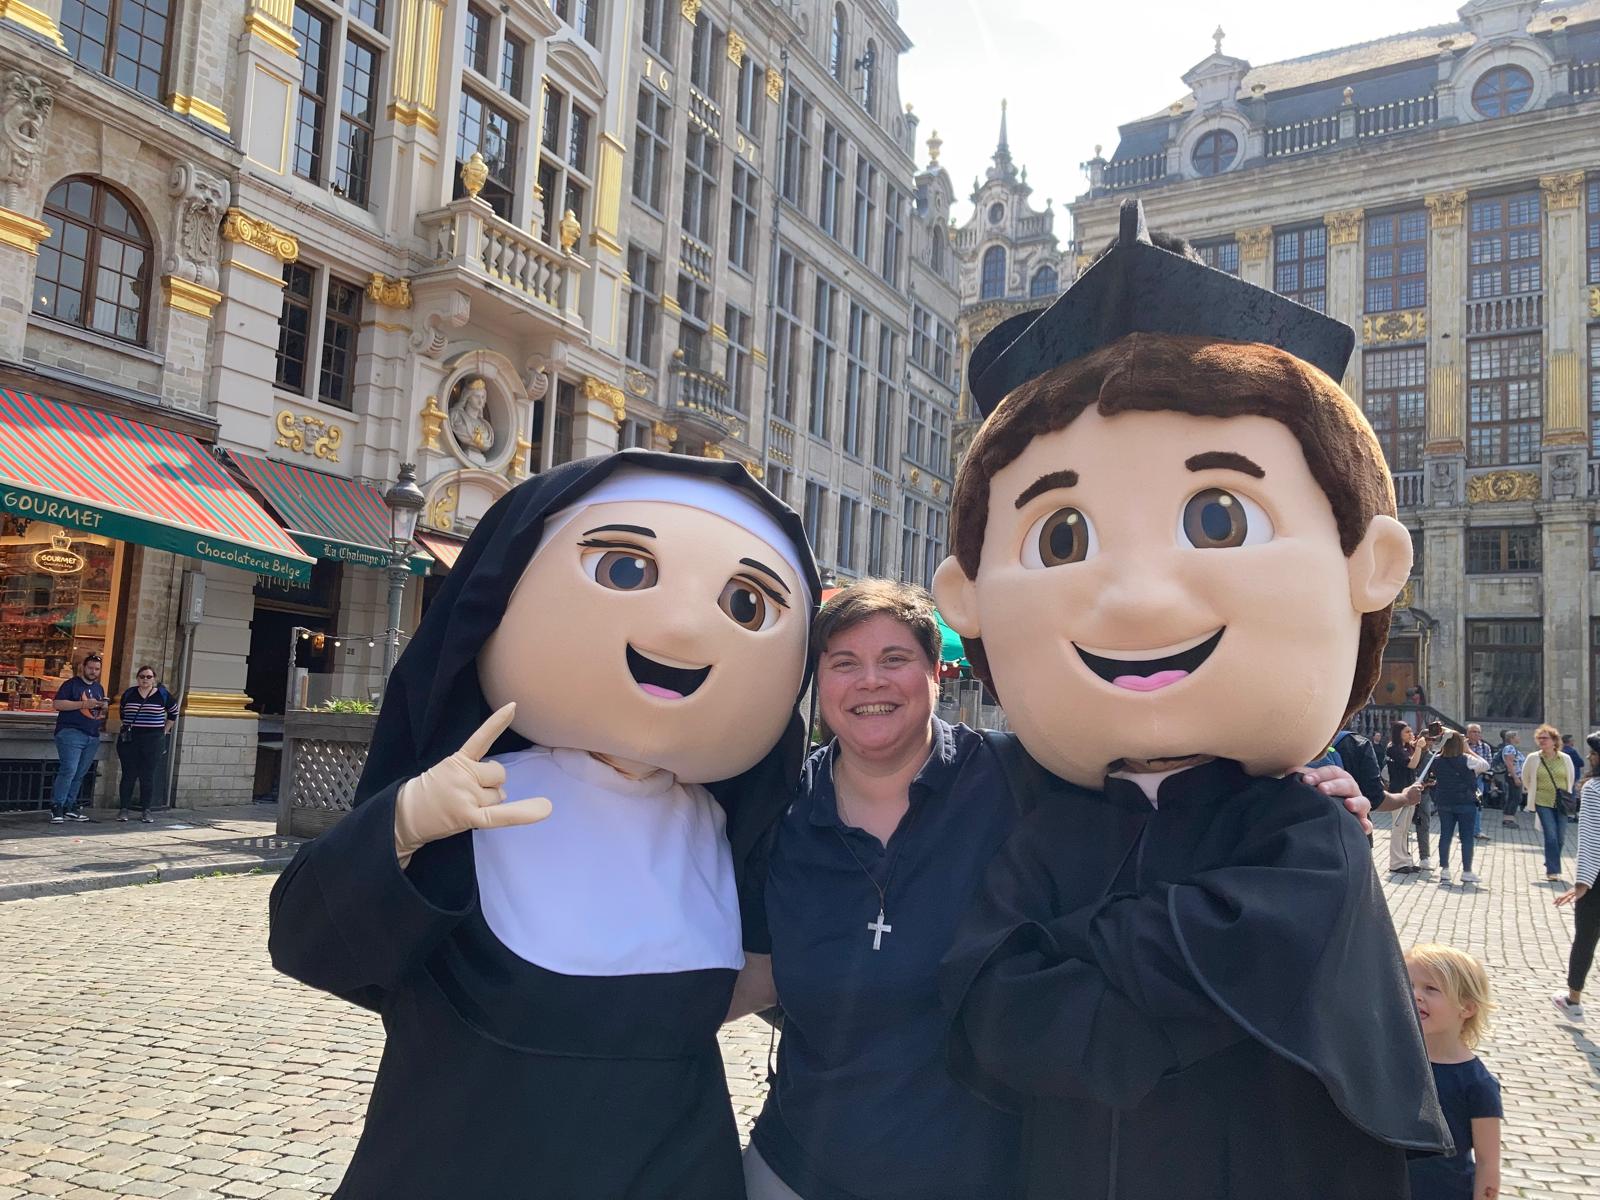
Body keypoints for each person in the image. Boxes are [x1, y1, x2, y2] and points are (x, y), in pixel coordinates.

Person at [934, 202, 1448, 1198]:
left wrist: (1072, 965)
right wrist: (1151, 970)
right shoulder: (1041, 828)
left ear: (1368, 564)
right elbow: (989, 1004)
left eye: (1217, 517)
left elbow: (1244, 953)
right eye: (1063, 538)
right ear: (971, 599)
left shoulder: (1305, 832)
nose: (1135, 597)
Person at [269, 451, 819, 1199]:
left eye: (747, 606)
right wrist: (401, 824)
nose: (686, 627)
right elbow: (313, 946)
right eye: (625, 569)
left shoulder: (731, 836)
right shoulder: (473, 799)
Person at [733, 579, 1372, 1200]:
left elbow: (1167, 792)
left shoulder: (1024, 775)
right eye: (844, 663)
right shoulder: (783, 809)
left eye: (893, 659)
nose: (869, 681)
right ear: (819, 685)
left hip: (989, 1170)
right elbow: (750, 965)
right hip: (799, 1165)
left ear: (935, 673)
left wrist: (1292, 797)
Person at [1404, 944, 1503, 1200]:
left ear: (1467, 1008)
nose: (1415, 995)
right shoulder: (1391, 1060)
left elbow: (1487, 1162)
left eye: (1431, 989)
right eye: (1408, 984)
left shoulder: (1477, 1083)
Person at [1553, 731, 1600, 1021]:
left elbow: (1592, 838)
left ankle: (1573, 1000)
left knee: (1586, 936)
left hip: (1597, 877)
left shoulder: (1594, 789)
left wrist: (1582, 881)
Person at [50, 651, 106, 823]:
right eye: (91, 668)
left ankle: (69, 806)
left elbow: (95, 711)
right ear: (83, 667)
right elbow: (57, 704)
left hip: (92, 734)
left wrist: (102, 708)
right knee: (69, 770)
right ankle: (57, 806)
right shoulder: (71, 684)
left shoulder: (99, 688)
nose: (93, 671)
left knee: (80, 773)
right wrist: (83, 704)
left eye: (97, 669)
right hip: (71, 733)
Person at [116, 665, 177, 822]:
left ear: (154, 679)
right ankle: (123, 809)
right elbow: (122, 712)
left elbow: (173, 712)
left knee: (147, 775)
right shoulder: (129, 693)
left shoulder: (162, 694)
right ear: (137, 678)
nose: (145, 679)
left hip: (153, 740)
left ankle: (146, 810)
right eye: (142, 676)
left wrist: (164, 731)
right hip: (130, 739)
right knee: (128, 774)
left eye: (149, 677)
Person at [1432, 732, 1489, 887]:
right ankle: (1467, 871)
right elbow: (1485, 765)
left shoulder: (1436, 761)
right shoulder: (1468, 760)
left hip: (1444, 801)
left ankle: (1444, 869)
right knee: (1467, 838)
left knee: (1445, 835)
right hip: (1465, 802)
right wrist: (1468, 749)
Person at [1524, 723, 1574, 883]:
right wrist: (1532, 791)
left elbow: (1570, 779)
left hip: (1561, 803)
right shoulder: (1533, 758)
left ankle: (1551, 860)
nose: (1542, 741)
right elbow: (1526, 777)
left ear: (1554, 740)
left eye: (1545, 738)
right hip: (1542, 801)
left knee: (1560, 838)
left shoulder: (1565, 759)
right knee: (1551, 835)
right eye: (1539, 738)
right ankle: (1553, 870)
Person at [1388, 720, 1433, 874]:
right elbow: (1412, 765)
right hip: (1399, 792)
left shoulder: (1405, 748)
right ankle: (1396, 862)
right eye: (1406, 731)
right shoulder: (1393, 749)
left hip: (1410, 791)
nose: (1410, 734)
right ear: (1398, 733)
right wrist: (1419, 747)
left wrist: (1416, 746)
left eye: (1410, 731)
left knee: (1406, 828)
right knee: (1398, 827)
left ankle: (1406, 859)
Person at [1465, 724, 1494, 842]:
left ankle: (1476, 831)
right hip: (1463, 778)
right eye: (1473, 732)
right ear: (1467, 733)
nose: (1476, 734)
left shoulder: (1485, 747)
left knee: (1477, 804)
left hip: (1478, 779)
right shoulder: (1461, 745)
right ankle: (1465, 830)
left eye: (1478, 732)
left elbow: (1488, 764)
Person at [1497, 730, 1525, 826]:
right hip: (1513, 776)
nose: (1519, 738)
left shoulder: (1513, 748)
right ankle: (1508, 819)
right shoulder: (1509, 748)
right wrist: (1515, 777)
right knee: (1515, 798)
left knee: (1515, 797)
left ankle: (1509, 818)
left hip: (1515, 776)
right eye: (1517, 736)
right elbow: (1509, 763)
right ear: (1512, 738)